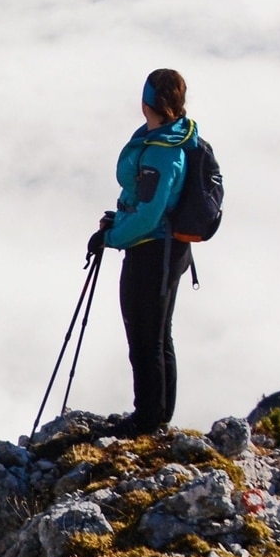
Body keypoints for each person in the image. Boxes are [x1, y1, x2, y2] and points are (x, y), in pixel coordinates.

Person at [93, 68, 197, 436]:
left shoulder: (161, 152)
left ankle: (148, 418)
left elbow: (150, 213)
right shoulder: (175, 138)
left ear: (147, 103)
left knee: (143, 335)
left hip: (152, 250)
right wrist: (119, 220)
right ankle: (159, 413)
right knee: (157, 333)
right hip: (170, 249)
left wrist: (110, 237)